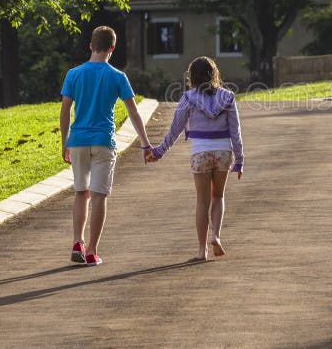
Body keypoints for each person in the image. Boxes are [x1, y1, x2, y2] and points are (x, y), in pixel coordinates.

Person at [60, 26, 153, 267]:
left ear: (90, 46)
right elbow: (133, 112)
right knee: (99, 196)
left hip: (78, 141)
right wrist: (145, 143)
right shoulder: (118, 77)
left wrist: (65, 142)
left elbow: (65, 111)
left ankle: (77, 241)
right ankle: (92, 250)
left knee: (82, 193)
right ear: (112, 48)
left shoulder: (73, 74)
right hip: (103, 142)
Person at [148, 56, 244, 262]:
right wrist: (240, 160)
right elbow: (235, 131)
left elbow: (175, 129)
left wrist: (159, 151)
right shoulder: (227, 97)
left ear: (191, 76)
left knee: (202, 200)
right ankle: (216, 235)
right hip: (223, 152)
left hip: (200, 152)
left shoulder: (188, 98)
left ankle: (202, 251)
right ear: (214, 74)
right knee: (218, 196)